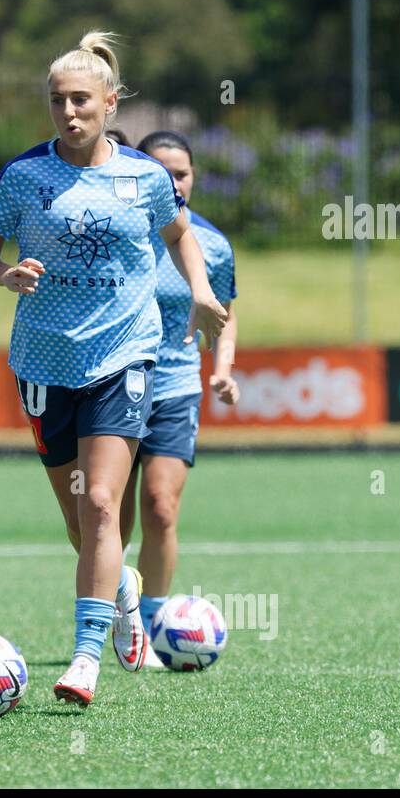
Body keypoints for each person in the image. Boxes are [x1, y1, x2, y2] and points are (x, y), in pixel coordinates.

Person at [0, 32, 226, 707]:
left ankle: (84, 659)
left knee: (104, 503)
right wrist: (5, 275)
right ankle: (124, 589)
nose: (68, 112)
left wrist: (199, 291)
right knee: (80, 524)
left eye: (81, 100)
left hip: (125, 357)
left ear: (110, 103)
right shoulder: (24, 176)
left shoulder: (143, 176)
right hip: (44, 362)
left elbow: (179, 235)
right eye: (57, 101)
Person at [118, 131, 239, 666]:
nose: (174, 182)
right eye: (162, 172)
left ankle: (152, 621)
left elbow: (224, 315)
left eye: (183, 173)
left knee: (161, 509)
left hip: (175, 386)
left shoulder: (210, 243)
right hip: (115, 382)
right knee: (109, 519)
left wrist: (224, 369)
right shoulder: (119, 228)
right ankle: (109, 618)